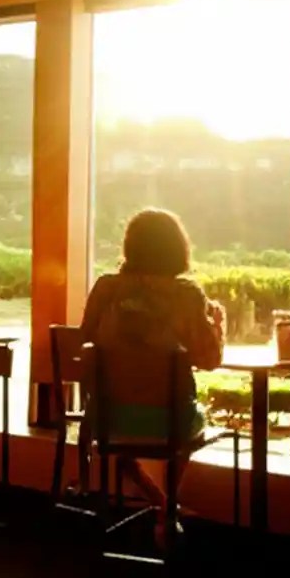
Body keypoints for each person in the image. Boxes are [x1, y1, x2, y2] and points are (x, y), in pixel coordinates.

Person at [81, 208, 226, 547]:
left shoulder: (106, 288)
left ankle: (163, 506)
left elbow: (85, 342)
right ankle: (169, 511)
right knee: (185, 426)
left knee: (122, 445)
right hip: (169, 423)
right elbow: (210, 360)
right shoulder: (186, 295)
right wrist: (218, 324)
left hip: (108, 418)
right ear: (178, 248)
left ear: (129, 247)